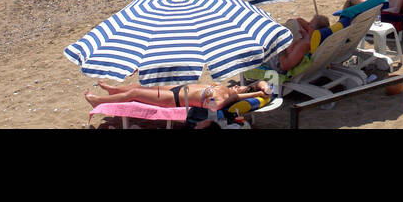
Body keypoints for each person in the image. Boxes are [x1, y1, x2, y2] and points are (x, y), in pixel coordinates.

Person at [85, 77, 272, 112]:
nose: (238, 87)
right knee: (142, 86)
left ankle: (98, 101)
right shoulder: (224, 88)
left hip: (174, 100)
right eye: (239, 87)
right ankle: (113, 90)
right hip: (177, 88)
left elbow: (213, 109)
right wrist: (261, 88)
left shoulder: (224, 98)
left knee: (135, 93)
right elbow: (262, 86)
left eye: (240, 89)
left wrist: (237, 97)